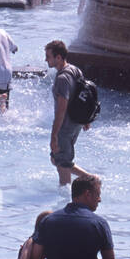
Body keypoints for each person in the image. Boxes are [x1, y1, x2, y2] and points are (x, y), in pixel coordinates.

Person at [34, 172, 114, 259]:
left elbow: (36, 257)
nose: (100, 199)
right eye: (98, 195)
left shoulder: (48, 220)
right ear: (87, 194)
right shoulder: (99, 223)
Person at [46, 39, 91, 185]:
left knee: (63, 166)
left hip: (65, 126)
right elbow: (85, 94)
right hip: (76, 123)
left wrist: (54, 135)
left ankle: (67, 200)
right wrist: (86, 119)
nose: (46, 60)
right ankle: (89, 178)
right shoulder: (75, 69)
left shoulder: (62, 78)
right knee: (56, 158)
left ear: (58, 57)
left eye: (48, 57)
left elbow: (61, 109)